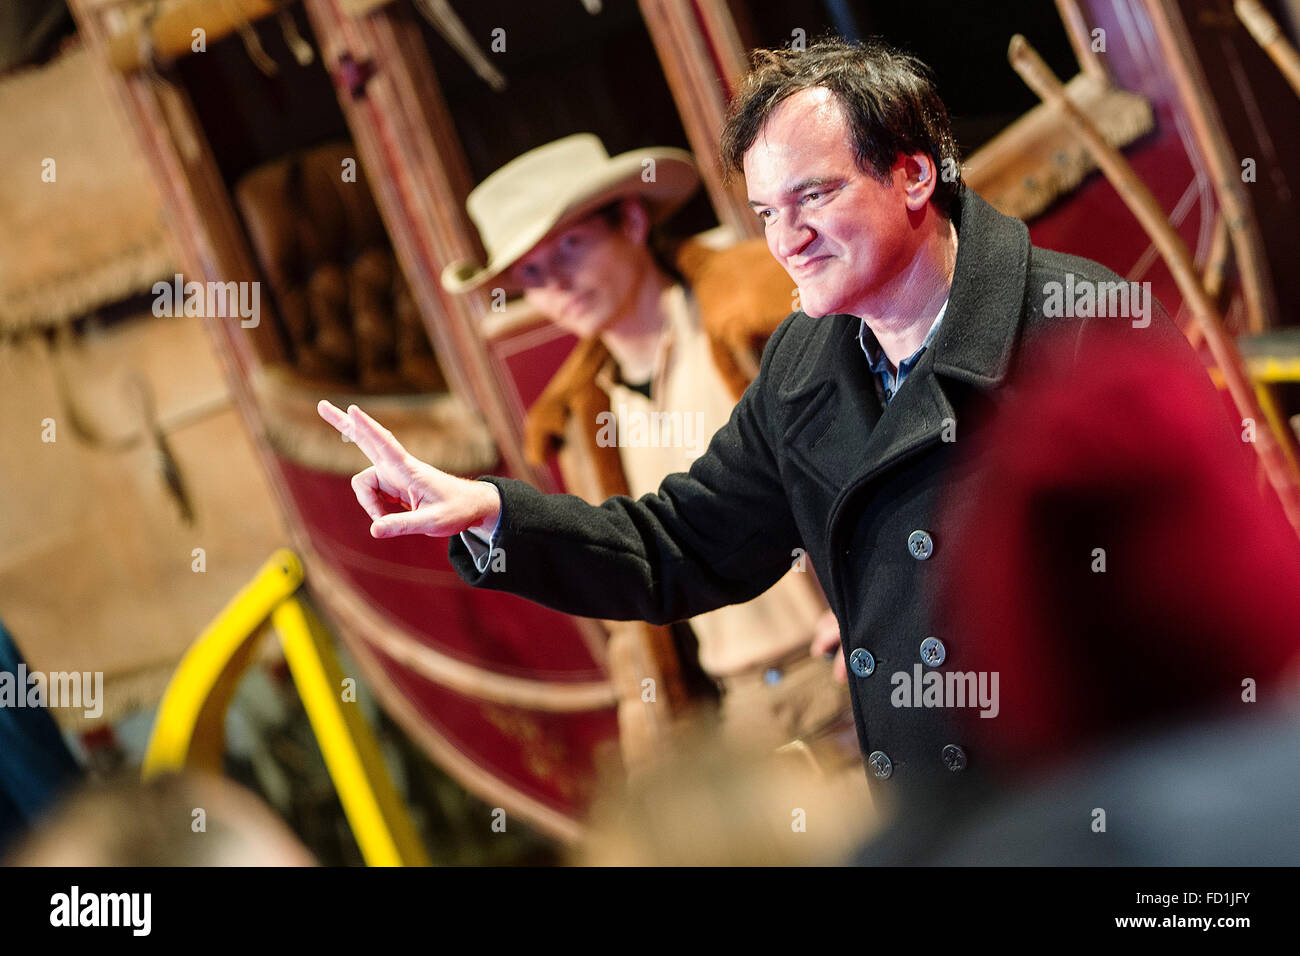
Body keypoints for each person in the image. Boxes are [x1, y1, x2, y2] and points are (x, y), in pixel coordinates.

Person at [318, 38, 1198, 801]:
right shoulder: (804, 364)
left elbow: (1199, 601)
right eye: (768, 212)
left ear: (914, 173)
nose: (786, 240)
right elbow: (681, 545)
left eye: (813, 197)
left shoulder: (1083, 322)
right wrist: (492, 514)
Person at [437, 133, 848, 767]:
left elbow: (870, 463)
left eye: (570, 246)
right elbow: (632, 602)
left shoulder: (756, 316)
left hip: (849, 671)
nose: (557, 285)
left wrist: (877, 609)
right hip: (741, 718)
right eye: (532, 274)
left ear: (631, 220)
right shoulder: (580, 417)